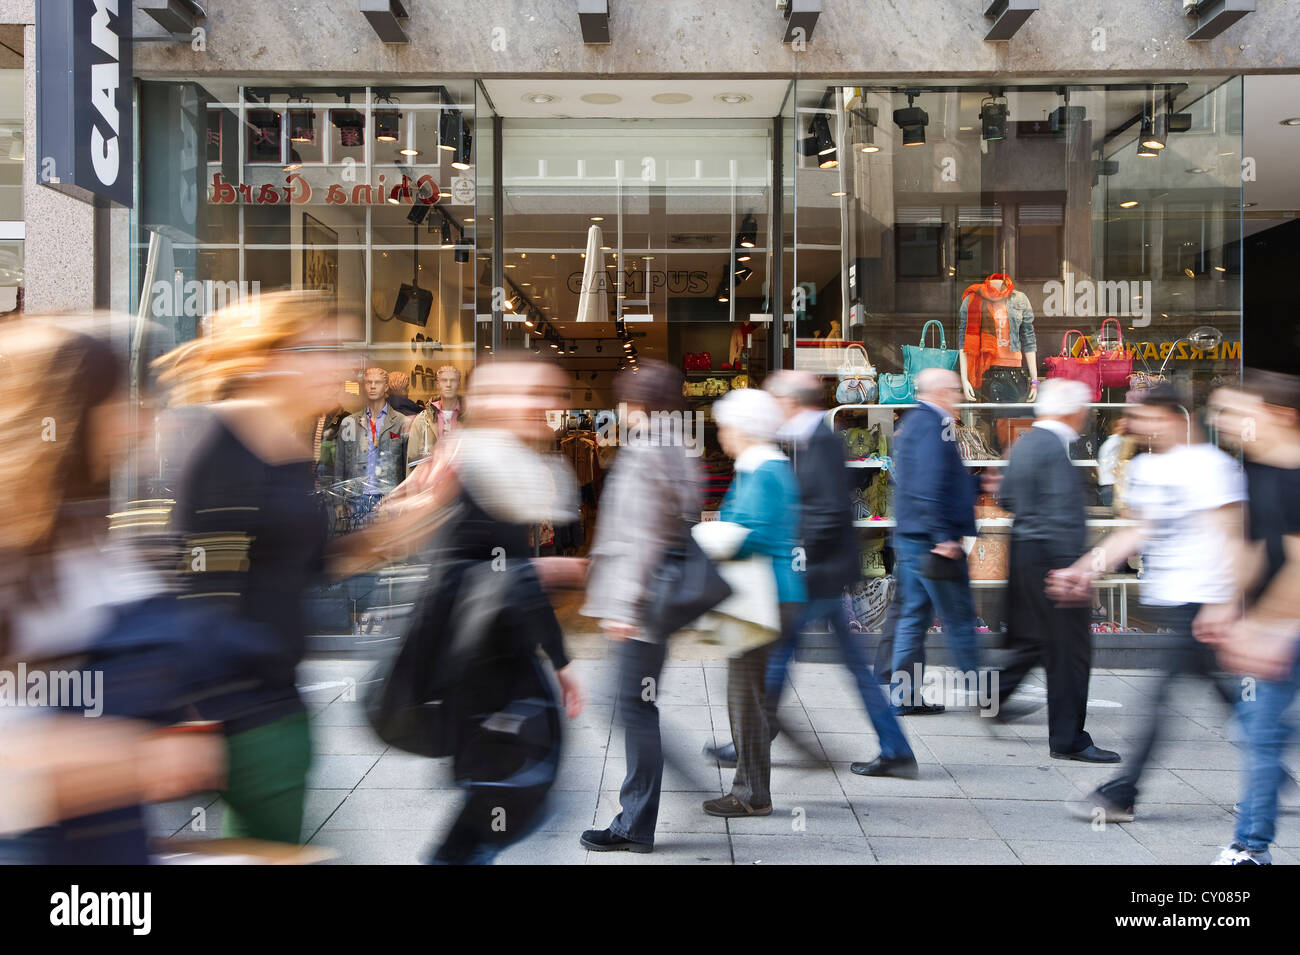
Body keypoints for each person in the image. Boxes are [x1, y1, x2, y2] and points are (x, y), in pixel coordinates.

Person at [155, 290, 356, 844]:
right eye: (322, 349)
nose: (341, 364)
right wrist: (199, 718)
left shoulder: (289, 447)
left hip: (280, 699)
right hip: (239, 710)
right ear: (271, 357)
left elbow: (309, 565)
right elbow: (201, 585)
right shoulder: (223, 442)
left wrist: (410, 519)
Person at [378, 355, 586, 864]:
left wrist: (557, 657)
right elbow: (477, 571)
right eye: (532, 393)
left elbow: (504, 569)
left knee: (505, 802)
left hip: (496, 667)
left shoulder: (502, 465)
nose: (547, 405)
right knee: (505, 800)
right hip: (478, 672)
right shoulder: (478, 466)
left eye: (551, 394)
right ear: (490, 402)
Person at [1050, 382, 1246, 821]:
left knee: (1162, 699)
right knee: (1223, 695)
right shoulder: (1147, 470)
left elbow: (1235, 537)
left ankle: (1123, 792)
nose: (1141, 427)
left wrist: (1226, 602)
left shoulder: (1213, 467)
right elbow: (1135, 533)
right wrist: (1085, 569)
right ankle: (1277, 775)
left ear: (1176, 418)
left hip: (1204, 600)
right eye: (1139, 419)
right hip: (1176, 600)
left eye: (1150, 418)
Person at [709, 371, 917, 778]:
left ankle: (752, 741)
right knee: (825, 663)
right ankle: (894, 748)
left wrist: (799, 550)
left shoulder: (819, 442)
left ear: (791, 403)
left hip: (818, 573)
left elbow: (827, 512)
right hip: (825, 571)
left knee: (777, 658)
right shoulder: (812, 440)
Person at [579, 361, 700, 853]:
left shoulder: (648, 451)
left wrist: (626, 605)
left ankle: (637, 820)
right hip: (660, 597)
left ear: (638, 404)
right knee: (635, 705)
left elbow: (642, 537)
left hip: (643, 600)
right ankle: (639, 815)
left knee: (630, 706)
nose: (620, 409)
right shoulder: (678, 446)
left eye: (624, 400)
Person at [1198, 371, 1300, 864]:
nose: (1224, 422)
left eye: (1240, 412)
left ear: (1281, 416)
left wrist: (1269, 628)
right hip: (1281, 626)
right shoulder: (1258, 469)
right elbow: (1258, 549)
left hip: (1288, 625)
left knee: (1262, 727)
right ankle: (1251, 847)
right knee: (1258, 727)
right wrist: (1225, 606)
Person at [990, 379, 1120, 762]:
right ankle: (1069, 739)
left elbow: (1007, 497)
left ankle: (992, 698)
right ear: (1072, 411)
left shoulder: (1025, 443)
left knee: (1034, 640)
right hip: (1055, 560)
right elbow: (1065, 518)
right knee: (1070, 652)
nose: (1085, 415)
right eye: (1084, 409)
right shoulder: (1055, 450)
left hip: (1026, 556)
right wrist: (1076, 571)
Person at [699, 387, 805, 818]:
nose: (722, 434)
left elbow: (752, 536)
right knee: (751, 695)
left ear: (743, 428)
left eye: (725, 425)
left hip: (764, 595)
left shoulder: (762, 471)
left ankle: (751, 793)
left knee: (745, 696)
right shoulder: (765, 466)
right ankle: (751, 788)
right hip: (770, 593)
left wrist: (704, 536)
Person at [889, 367, 984, 713]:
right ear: (942, 392)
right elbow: (929, 484)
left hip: (915, 538)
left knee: (913, 619)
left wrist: (975, 485)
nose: (959, 397)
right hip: (933, 543)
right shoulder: (933, 425)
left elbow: (925, 481)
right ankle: (990, 699)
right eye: (956, 390)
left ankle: (904, 697)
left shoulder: (916, 422)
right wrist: (944, 537)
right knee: (959, 619)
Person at [335, 367, 407, 522]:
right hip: (355, 499)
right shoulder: (349, 423)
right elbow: (340, 464)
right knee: (356, 545)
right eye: (368, 382)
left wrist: (404, 500)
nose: (373, 386)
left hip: (389, 499)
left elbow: (407, 466)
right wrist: (338, 502)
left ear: (386, 387)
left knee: (388, 544)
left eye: (378, 382)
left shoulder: (400, 422)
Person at [408, 364, 464, 469]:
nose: (448, 384)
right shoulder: (422, 420)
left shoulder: (469, 419)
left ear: (459, 384)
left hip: (461, 481)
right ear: (438, 384)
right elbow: (412, 461)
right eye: (444, 380)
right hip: (430, 481)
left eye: (453, 380)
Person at [1096, 417, 1126, 509]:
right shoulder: (1116, 442)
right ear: (1116, 428)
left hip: (1108, 486)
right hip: (1112, 487)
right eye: (1123, 425)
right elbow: (1112, 465)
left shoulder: (1110, 443)